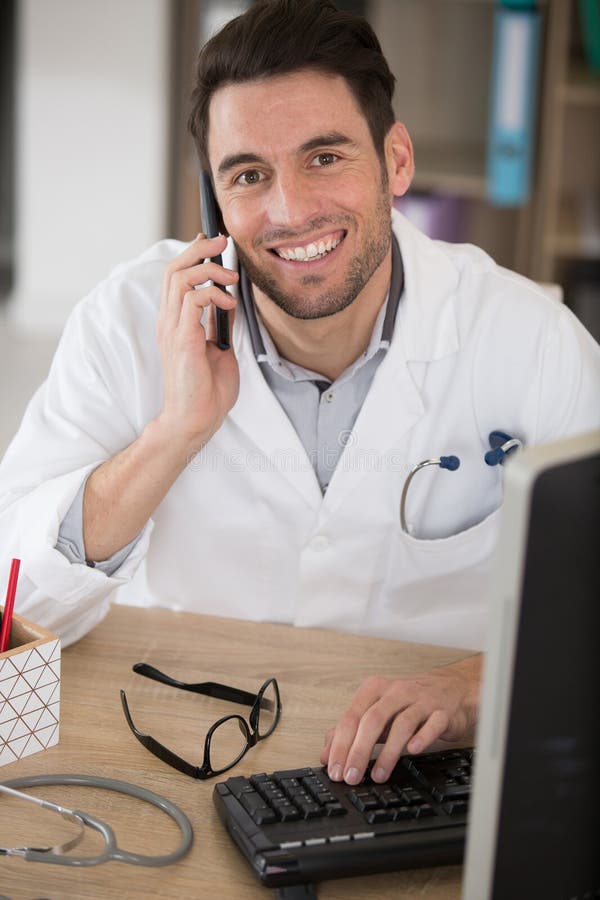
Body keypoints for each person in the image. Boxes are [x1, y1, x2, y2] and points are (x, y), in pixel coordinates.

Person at [0, 0, 598, 788]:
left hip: (428, 774)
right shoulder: (127, 321)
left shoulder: (531, 339)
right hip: (182, 744)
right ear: (212, 202)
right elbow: (18, 606)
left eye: (325, 157)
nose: (289, 211)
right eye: (249, 175)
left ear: (397, 161)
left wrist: (474, 688)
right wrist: (177, 430)